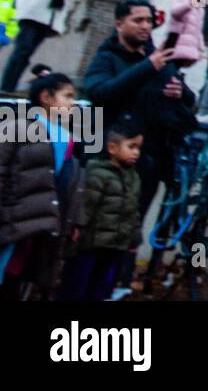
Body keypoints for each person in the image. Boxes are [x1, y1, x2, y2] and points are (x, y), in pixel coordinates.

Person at [82, 0, 197, 218]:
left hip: (150, 160)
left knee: (132, 229)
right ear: (119, 24)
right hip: (112, 160)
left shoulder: (158, 57)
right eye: (138, 20)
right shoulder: (107, 56)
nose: (146, 26)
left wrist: (180, 92)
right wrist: (147, 67)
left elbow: (188, 99)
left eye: (149, 21)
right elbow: (99, 93)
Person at [0, 72, 84, 300]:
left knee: (17, 281)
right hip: (13, 221)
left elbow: (70, 186)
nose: (73, 103)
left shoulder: (68, 141)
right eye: (67, 96)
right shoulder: (18, 128)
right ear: (46, 97)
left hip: (41, 229)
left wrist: (73, 220)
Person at [58, 120, 143, 301]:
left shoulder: (133, 176)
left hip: (115, 246)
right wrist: (76, 229)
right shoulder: (98, 173)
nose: (136, 152)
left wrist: (134, 238)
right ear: (112, 148)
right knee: (77, 286)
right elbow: (86, 206)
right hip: (91, 245)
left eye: (138, 148)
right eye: (131, 146)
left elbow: (132, 211)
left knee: (101, 288)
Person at [162, 0, 207, 71]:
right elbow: (175, 12)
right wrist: (189, 2)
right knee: (167, 66)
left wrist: (200, 47)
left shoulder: (199, 5)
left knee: (177, 69)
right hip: (175, 39)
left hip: (189, 44)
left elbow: (198, 28)